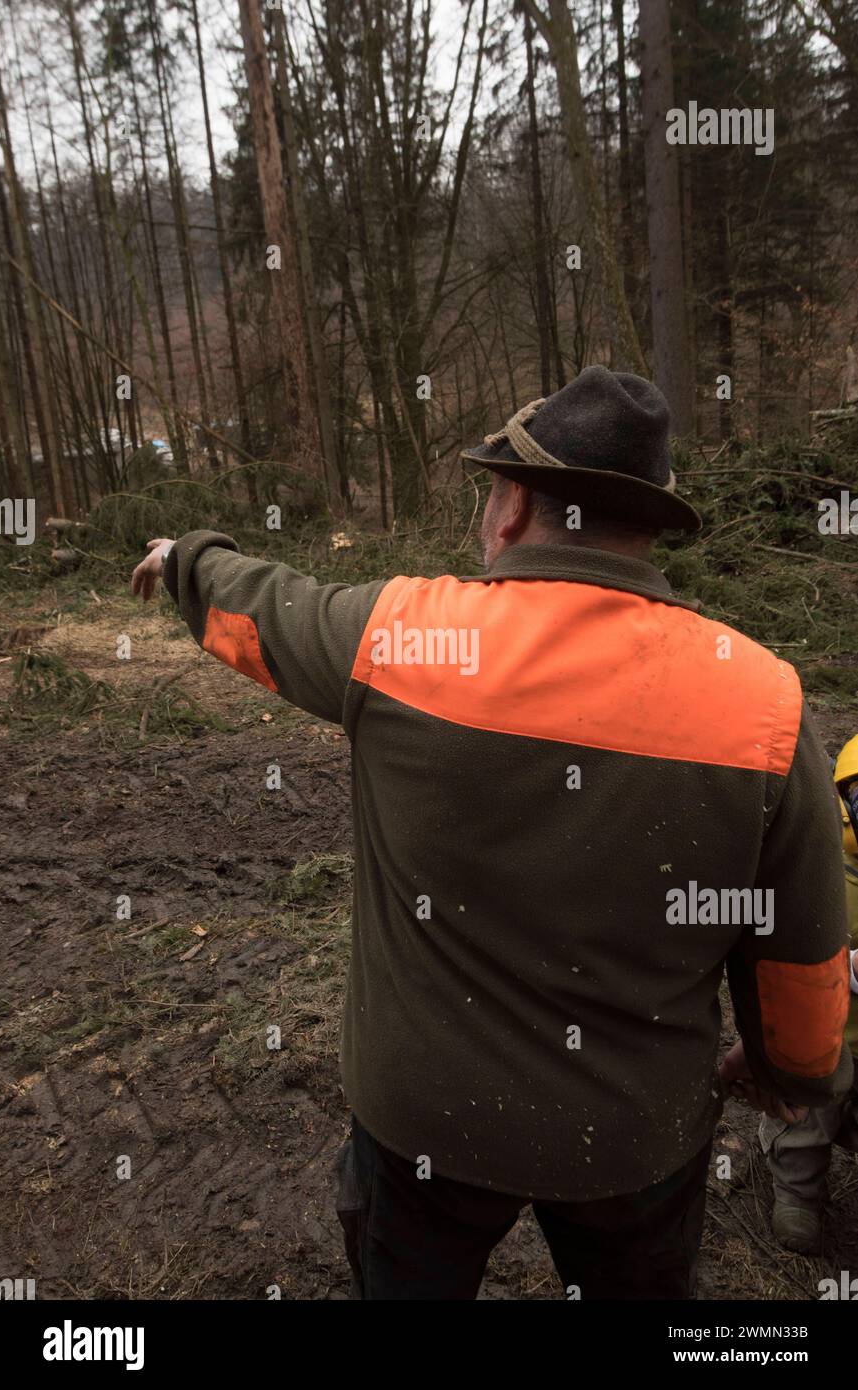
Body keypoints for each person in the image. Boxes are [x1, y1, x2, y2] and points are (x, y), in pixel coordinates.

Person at [131, 366, 852, 1300]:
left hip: (422, 1116)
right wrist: (788, 1069)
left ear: (511, 508)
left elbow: (261, 608)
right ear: (647, 526)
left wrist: (185, 554)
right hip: (633, 1136)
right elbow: (799, 949)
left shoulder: (402, 640)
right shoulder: (762, 702)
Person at [755, 735, 858, 1253]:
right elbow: (789, 935)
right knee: (810, 1116)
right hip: (826, 1031)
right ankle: (795, 1192)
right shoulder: (826, 870)